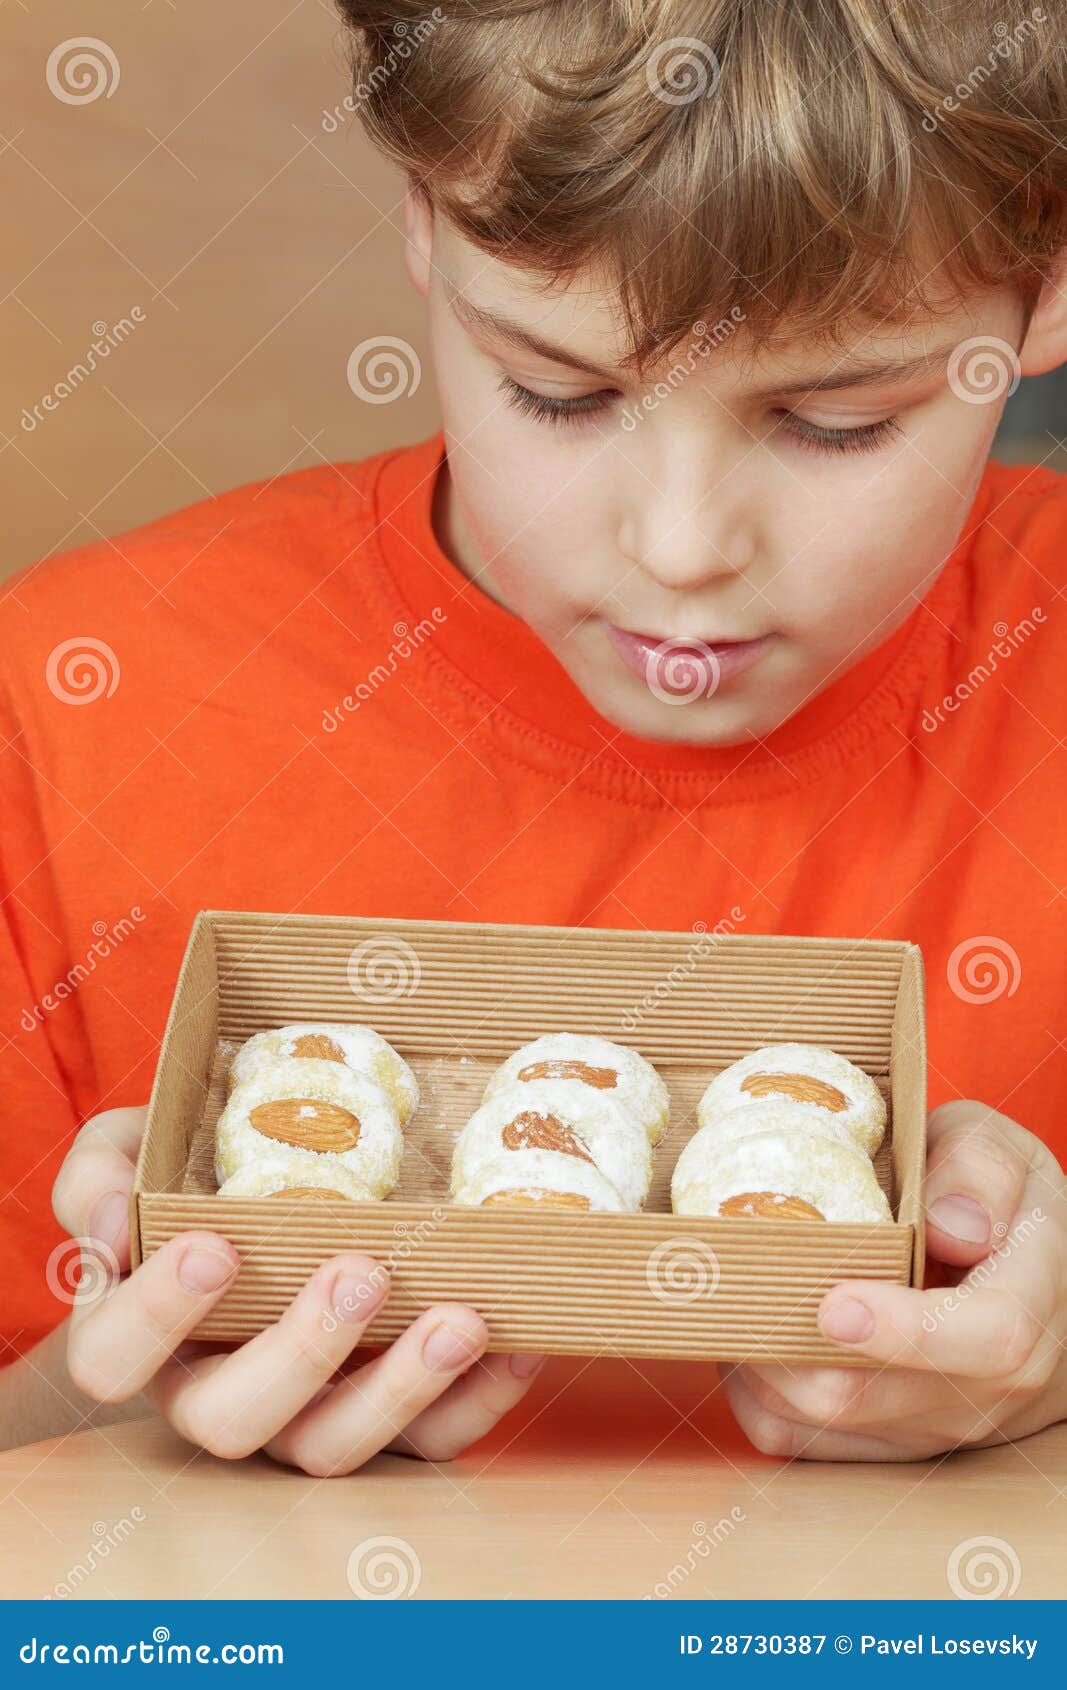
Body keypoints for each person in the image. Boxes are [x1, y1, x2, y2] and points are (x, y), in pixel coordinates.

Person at [1, 0, 1065, 1467]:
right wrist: (108, 1404)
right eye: (558, 391)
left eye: (835, 420)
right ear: (427, 223)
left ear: (1049, 280)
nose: (682, 548)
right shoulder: (66, 708)